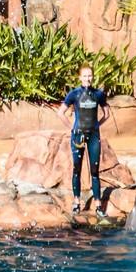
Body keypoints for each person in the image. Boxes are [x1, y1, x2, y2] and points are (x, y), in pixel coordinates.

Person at [57, 65, 112, 217]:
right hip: (78, 136)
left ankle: (98, 205)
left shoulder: (98, 94)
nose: (88, 79)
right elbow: (60, 113)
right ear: (79, 78)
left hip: (94, 136)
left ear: (92, 77)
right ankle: (76, 202)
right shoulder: (74, 94)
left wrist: (97, 126)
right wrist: (72, 128)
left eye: (90, 76)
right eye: (85, 76)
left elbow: (107, 113)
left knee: (95, 171)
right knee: (77, 170)